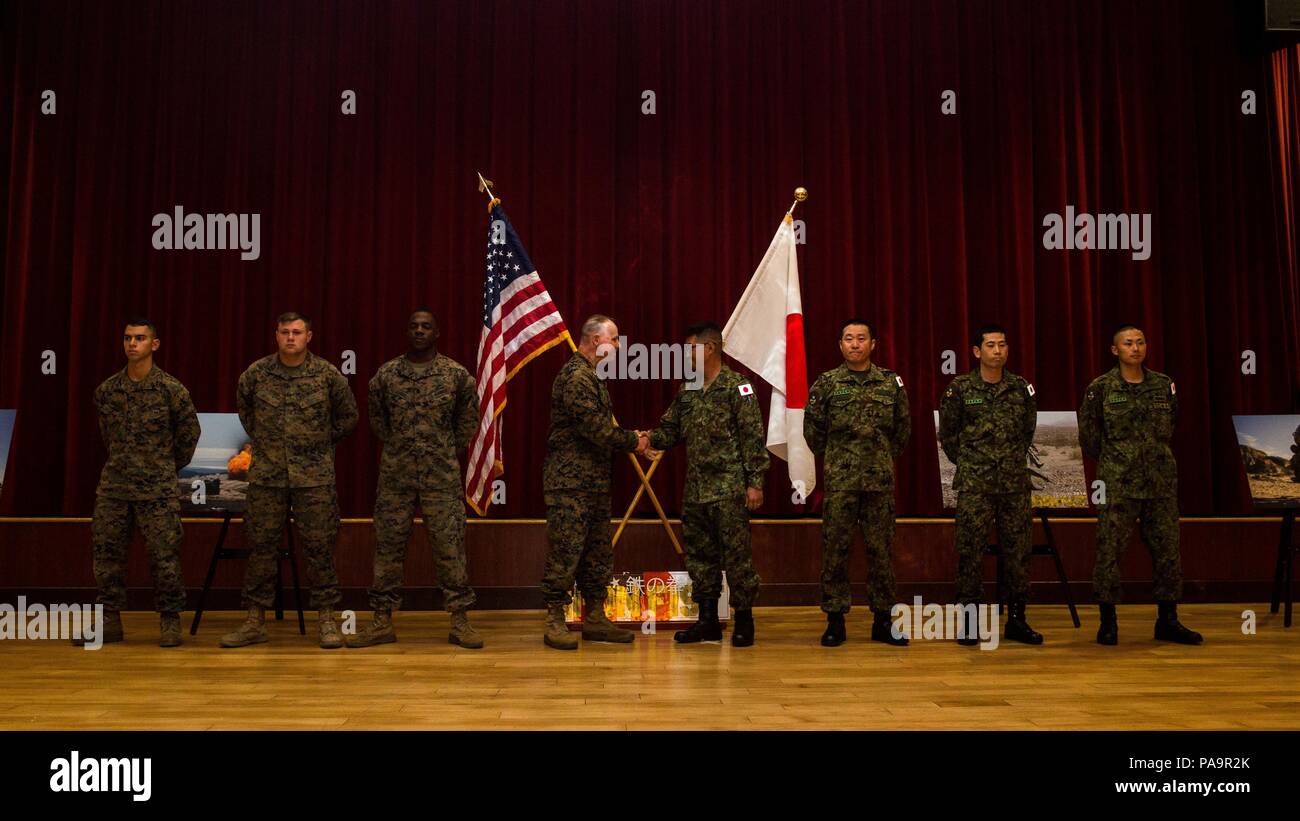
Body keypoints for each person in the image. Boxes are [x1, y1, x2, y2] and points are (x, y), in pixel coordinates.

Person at [221, 312, 358, 649]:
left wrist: (318, 443)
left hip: (313, 478)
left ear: (309, 336)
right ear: (276, 335)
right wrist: (270, 444)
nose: (291, 338)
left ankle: (326, 619)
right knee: (261, 547)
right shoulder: (256, 374)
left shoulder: (326, 375)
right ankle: (255, 620)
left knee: (319, 547)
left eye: (297, 332)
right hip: (268, 476)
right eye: (285, 332)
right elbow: (246, 413)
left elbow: (348, 416)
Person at [348, 309, 483, 649]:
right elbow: (378, 421)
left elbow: (467, 420)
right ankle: (381, 621)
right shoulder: (387, 376)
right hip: (397, 475)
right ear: (406, 332)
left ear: (437, 333)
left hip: (441, 475)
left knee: (450, 547)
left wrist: (441, 448)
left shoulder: (456, 376)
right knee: (388, 548)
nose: (419, 331)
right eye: (414, 326)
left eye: (426, 326)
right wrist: (402, 446)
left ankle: (460, 621)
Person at [642, 322, 768, 646]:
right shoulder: (689, 388)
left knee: (737, 558)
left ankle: (744, 620)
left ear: (709, 348)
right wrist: (645, 440)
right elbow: (671, 429)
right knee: (700, 557)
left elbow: (753, 439)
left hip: (729, 490)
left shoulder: (738, 388)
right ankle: (708, 620)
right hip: (696, 490)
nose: (686, 354)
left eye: (690, 348)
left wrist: (755, 483)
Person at [76, 318, 199, 647]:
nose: (133, 344)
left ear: (154, 345)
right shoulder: (107, 391)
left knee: (164, 556)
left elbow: (189, 436)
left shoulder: (172, 391)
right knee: (106, 556)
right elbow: (108, 437)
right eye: (128, 337)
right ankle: (110, 621)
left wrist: (162, 466)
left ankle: (170, 620)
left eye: (140, 338)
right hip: (115, 487)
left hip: (157, 488)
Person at [1078, 324, 1201, 646]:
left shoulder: (1163, 385)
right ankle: (1108, 621)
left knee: (1168, 553)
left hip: (1160, 481)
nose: (1136, 348)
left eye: (1141, 342)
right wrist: (1118, 460)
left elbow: (1171, 424)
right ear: (1115, 350)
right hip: (1118, 482)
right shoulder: (1101, 388)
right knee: (1109, 552)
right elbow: (1089, 437)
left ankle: (1168, 620)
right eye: (1128, 343)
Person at [539, 315, 647, 649]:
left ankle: (595, 617)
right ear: (594, 340)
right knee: (566, 552)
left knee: (597, 554)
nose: (617, 345)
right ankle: (554, 619)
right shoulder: (576, 377)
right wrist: (635, 441)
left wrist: (631, 440)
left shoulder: (594, 377)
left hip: (594, 483)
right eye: (614, 339)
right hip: (570, 484)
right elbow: (595, 429)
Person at [804, 319, 910, 647]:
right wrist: (840, 459)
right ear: (840, 345)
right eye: (848, 338)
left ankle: (883, 620)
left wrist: (877, 457)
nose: (854, 344)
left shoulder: (891, 383)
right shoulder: (827, 384)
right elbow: (813, 432)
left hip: (879, 482)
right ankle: (835, 621)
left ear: (873, 344)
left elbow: (902, 431)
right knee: (836, 551)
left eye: (861, 338)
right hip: (841, 482)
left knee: (881, 552)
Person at [938, 324, 1041, 646]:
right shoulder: (960, 389)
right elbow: (949, 436)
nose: (998, 350)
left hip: (1013, 485)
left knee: (1018, 553)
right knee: (970, 552)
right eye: (991, 345)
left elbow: (1027, 433)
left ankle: (1017, 620)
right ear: (976, 352)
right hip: (975, 485)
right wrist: (972, 463)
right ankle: (969, 623)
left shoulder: (1021, 389)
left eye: (1002, 345)